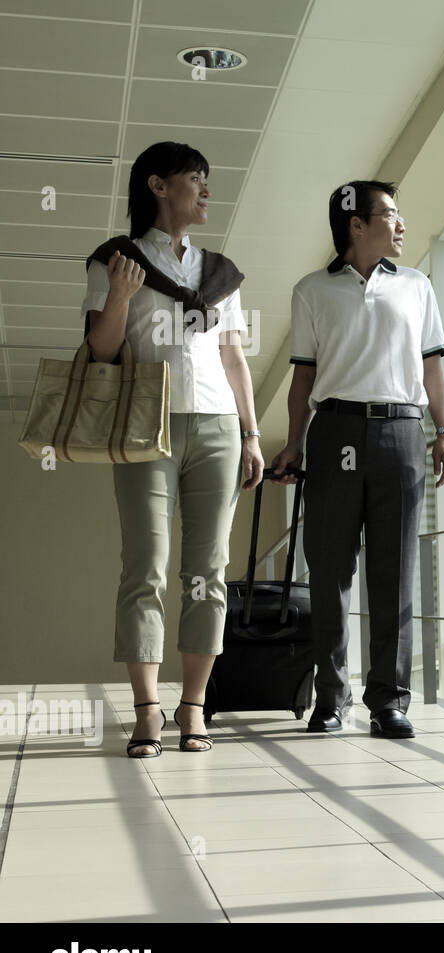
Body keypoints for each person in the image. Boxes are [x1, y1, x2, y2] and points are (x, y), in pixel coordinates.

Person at [83, 141, 263, 757]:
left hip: (216, 425)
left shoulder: (222, 273)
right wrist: (121, 298)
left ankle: (193, 708)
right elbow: (102, 353)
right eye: (196, 180)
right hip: (145, 424)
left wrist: (252, 432)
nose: (207, 191)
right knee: (146, 567)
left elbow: (234, 355)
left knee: (207, 572)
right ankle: (146, 711)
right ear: (158, 185)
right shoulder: (116, 261)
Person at [269, 180, 444, 738]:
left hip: (401, 431)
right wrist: (296, 441)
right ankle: (331, 698)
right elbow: (303, 377)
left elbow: (432, 371)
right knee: (329, 569)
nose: (401, 225)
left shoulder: (418, 286)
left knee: (394, 569)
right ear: (356, 224)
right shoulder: (311, 291)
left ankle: (389, 700)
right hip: (337, 431)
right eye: (391, 215)